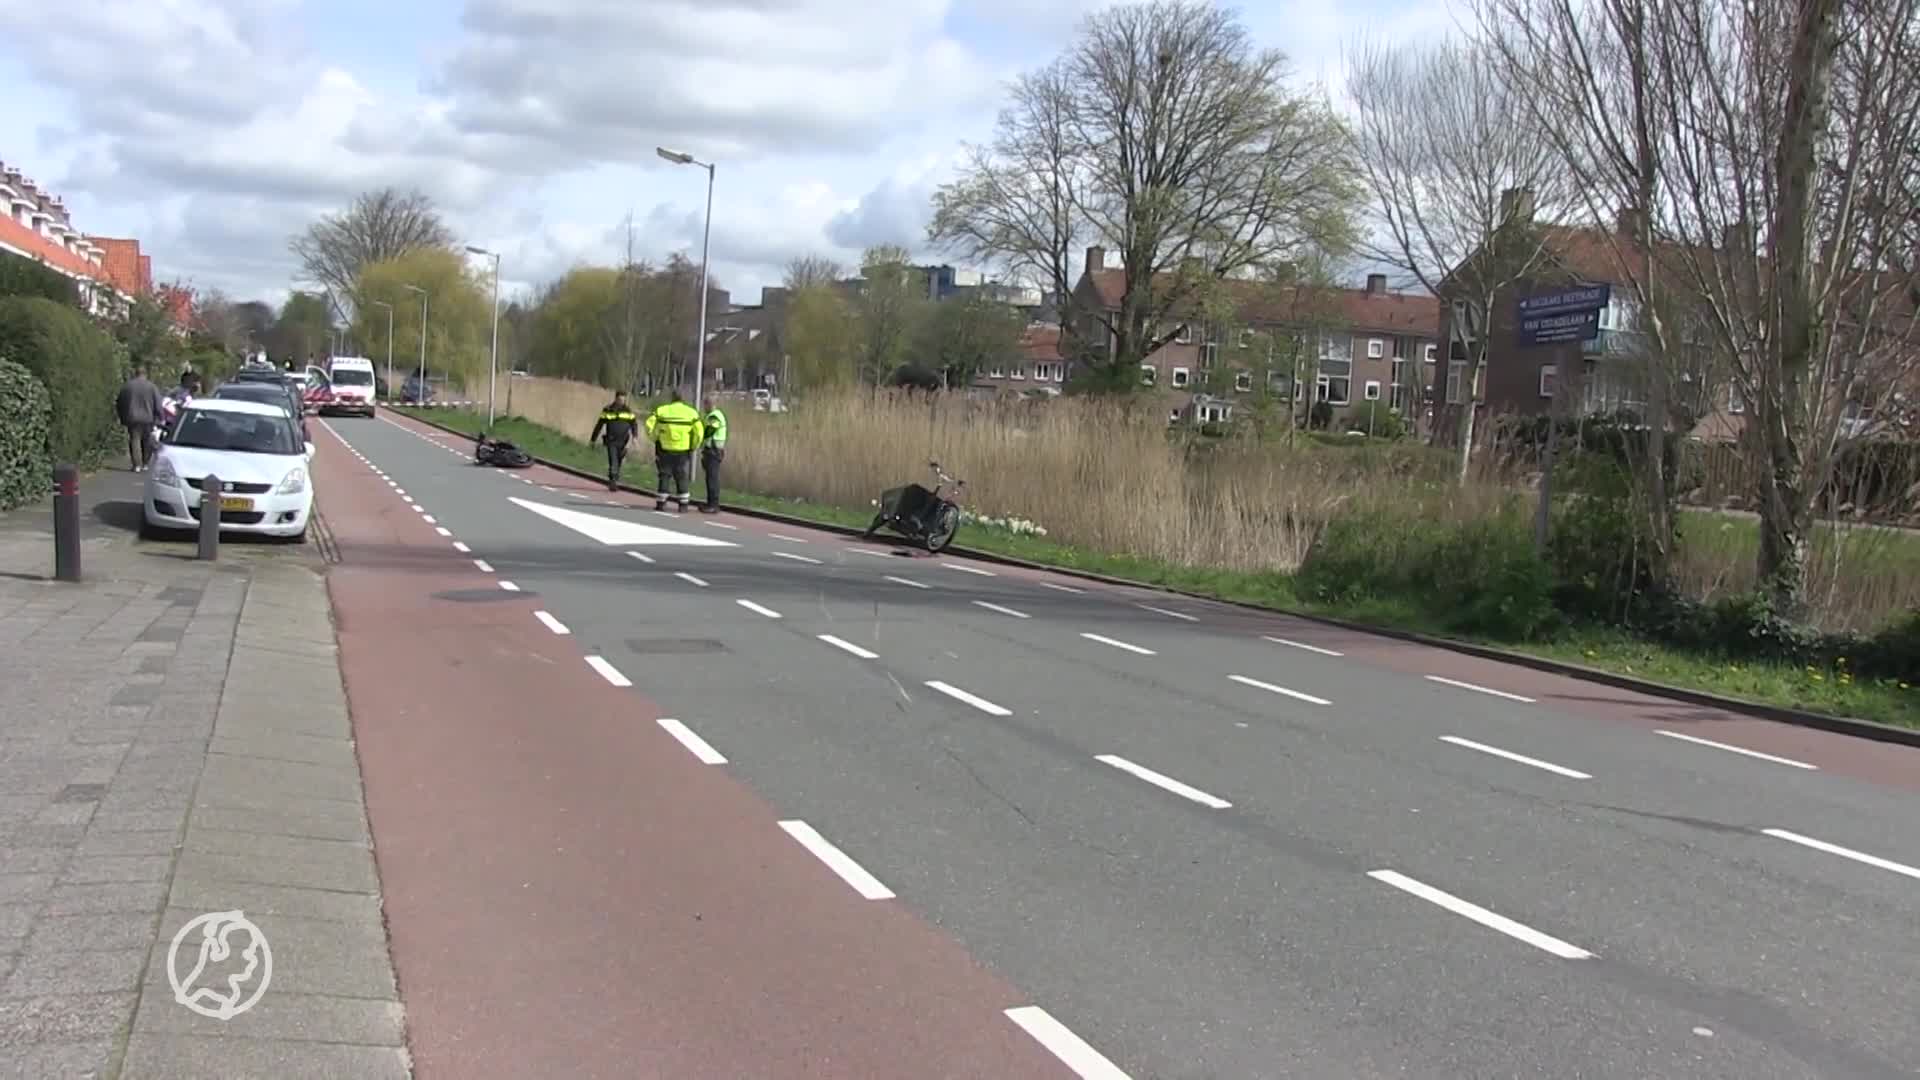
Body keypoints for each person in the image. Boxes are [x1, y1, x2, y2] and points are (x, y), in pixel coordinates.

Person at [645, 388, 704, 512]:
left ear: (672, 398)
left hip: (665, 448)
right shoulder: (691, 413)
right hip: (683, 449)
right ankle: (683, 505)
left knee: (664, 475)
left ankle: (661, 503)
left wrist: (655, 438)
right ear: (683, 399)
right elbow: (699, 432)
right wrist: (693, 446)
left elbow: (649, 424)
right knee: (681, 475)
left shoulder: (662, 411)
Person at [114, 365, 166, 472]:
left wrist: (122, 417)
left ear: (135, 373)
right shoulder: (152, 387)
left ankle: (137, 465)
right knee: (147, 441)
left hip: (132, 417)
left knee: (135, 440)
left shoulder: (127, 386)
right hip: (148, 418)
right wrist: (161, 417)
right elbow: (158, 403)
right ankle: (145, 463)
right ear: (145, 374)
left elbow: (119, 403)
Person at [588, 390, 641, 491]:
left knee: (619, 460)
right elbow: (599, 425)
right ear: (616, 398)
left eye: (623, 399)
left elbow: (634, 424)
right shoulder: (608, 409)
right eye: (620, 399)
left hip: (624, 441)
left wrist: (635, 437)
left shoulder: (628, 411)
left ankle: (615, 477)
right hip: (611, 440)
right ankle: (613, 481)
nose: (621, 401)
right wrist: (593, 440)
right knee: (613, 460)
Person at [698, 394, 727, 513]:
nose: (704, 407)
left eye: (705, 404)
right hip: (712, 450)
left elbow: (710, 430)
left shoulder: (714, 416)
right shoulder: (712, 415)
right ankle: (710, 503)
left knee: (712, 478)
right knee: (710, 478)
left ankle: (713, 505)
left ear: (710, 404)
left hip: (713, 451)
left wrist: (700, 436)